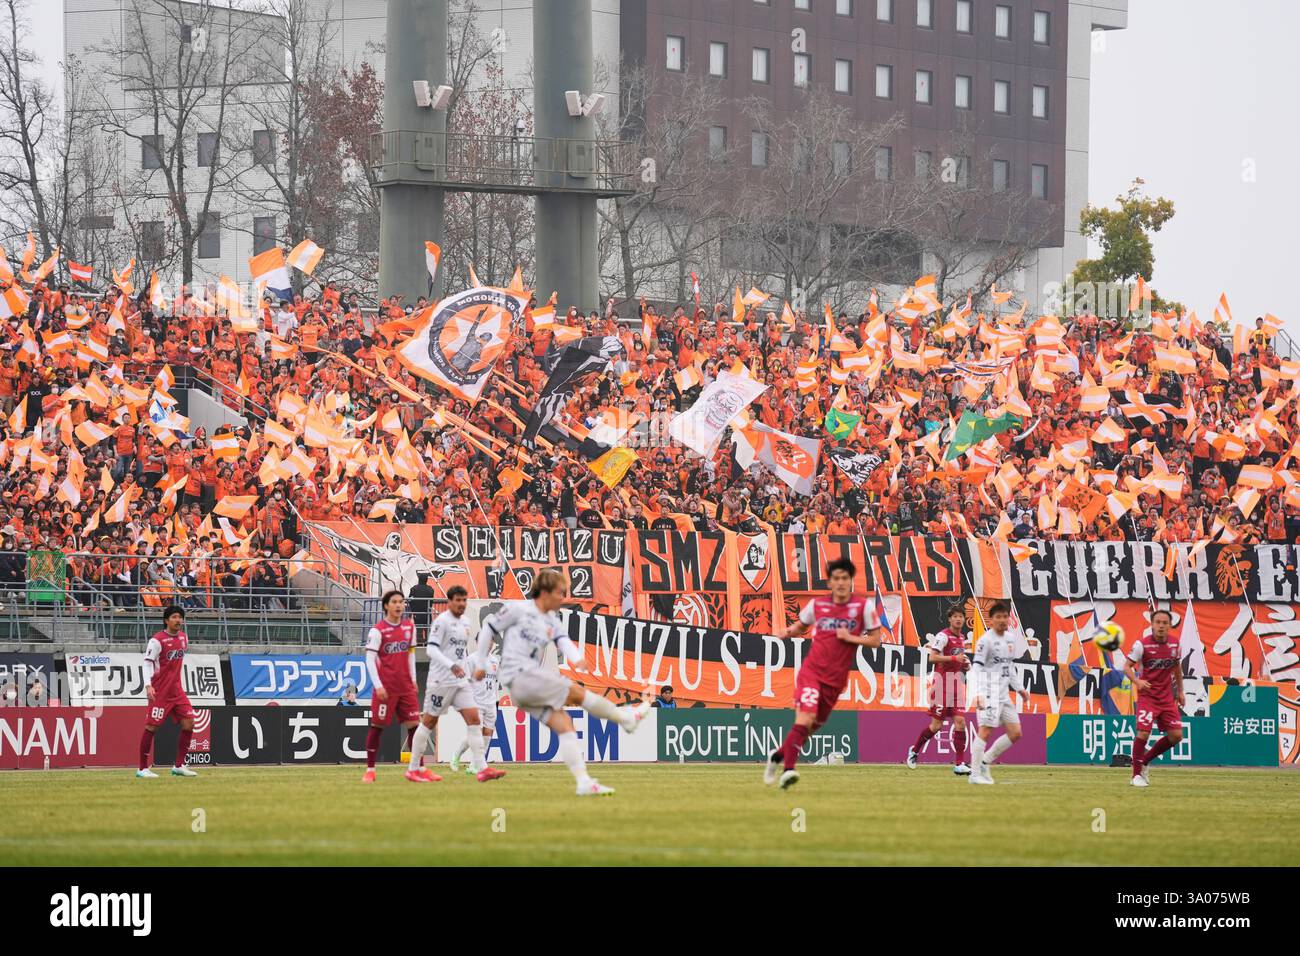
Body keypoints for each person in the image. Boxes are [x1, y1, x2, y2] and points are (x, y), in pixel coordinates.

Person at [474, 568, 653, 796]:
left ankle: (583, 782)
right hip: (520, 676)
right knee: (576, 693)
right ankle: (625, 718)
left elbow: (564, 641)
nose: (562, 598)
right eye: (560, 593)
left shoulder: (552, 620)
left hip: (523, 687)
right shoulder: (518, 608)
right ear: (546, 592)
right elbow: (489, 628)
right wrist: (480, 662)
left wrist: (578, 659)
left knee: (564, 724)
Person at [765, 558, 883, 790]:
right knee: (805, 718)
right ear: (830, 582)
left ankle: (776, 757)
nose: (840, 583)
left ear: (850, 582)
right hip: (812, 672)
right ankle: (789, 770)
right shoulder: (816, 605)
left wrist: (850, 638)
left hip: (836, 680)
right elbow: (800, 627)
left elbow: (876, 641)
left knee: (809, 729)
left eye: (845, 579)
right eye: (836, 578)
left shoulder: (863, 607)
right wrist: (785, 632)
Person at [406, 586, 505, 783]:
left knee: (474, 721)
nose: (461, 604)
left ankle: (481, 768)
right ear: (449, 601)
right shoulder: (441, 622)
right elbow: (431, 651)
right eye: (457, 600)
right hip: (441, 679)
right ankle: (414, 768)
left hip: (461, 682)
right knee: (428, 722)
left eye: (464, 600)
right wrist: (451, 665)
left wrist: (475, 667)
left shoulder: (466, 623)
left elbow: (461, 652)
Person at [361, 590, 422, 783]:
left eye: (401, 602)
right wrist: (378, 685)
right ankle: (370, 769)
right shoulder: (377, 630)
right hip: (386, 688)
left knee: (415, 727)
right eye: (394, 602)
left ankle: (418, 769)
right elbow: (370, 660)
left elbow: (411, 654)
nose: (398, 605)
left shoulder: (409, 628)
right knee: (377, 727)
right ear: (386, 605)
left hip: (405, 686)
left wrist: (413, 678)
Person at [1121, 608, 1185, 787]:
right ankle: (1135, 776)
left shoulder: (1175, 645)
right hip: (1148, 696)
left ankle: (1145, 761)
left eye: (1165, 623)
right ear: (1152, 625)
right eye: (1158, 623)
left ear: (1170, 626)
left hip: (1166, 698)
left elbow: (1177, 669)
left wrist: (1180, 691)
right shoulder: (1142, 645)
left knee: (1176, 736)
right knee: (1143, 732)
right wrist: (1137, 681)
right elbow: (1126, 666)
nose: (1161, 626)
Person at [968, 602, 1030, 785]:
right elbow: (976, 668)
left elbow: (1009, 667)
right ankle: (974, 774)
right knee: (985, 732)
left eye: (1005, 616)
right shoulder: (985, 641)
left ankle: (985, 762)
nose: (1003, 620)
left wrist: (1019, 688)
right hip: (988, 692)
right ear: (992, 619)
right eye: (998, 617)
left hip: (1004, 694)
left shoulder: (1010, 639)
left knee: (1016, 733)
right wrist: (978, 693)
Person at [907, 605, 971, 775]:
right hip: (942, 685)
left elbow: (957, 660)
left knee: (961, 722)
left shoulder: (962, 638)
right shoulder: (943, 636)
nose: (958, 619)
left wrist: (965, 664)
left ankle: (959, 763)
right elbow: (932, 657)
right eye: (955, 616)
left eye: (961, 616)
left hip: (957, 685)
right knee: (936, 726)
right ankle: (914, 751)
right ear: (949, 619)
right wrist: (953, 658)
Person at [136, 605, 198, 779]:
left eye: (180, 617)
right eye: (174, 617)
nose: (178, 620)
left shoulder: (184, 638)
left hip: (177, 691)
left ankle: (178, 766)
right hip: (160, 691)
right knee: (151, 727)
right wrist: (148, 685)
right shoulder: (157, 640)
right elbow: (147, 662)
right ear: (166, 620)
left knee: (189, 723)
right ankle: (142, 768)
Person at [449, 647, 501, 775]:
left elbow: (495, 681)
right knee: (476, 733)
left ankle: (474, 765)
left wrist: (496, 699)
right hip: (476, 702)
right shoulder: (472, 659)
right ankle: (456, 755)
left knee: (487, 734)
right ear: (479, 642)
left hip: (491, 702)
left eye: (490, 640)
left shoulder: (495, 660)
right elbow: (464, 678)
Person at [407, 570, 436, 643]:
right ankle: (428, 643)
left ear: (419, 580)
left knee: (418, 629)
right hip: (427, 612)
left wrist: (413, 610)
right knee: (428, 629)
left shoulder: (414, 589)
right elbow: (431, 601)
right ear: (426, 580)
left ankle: (419, 643)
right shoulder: (430, 589)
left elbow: (410, 600)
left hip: (417, 613)